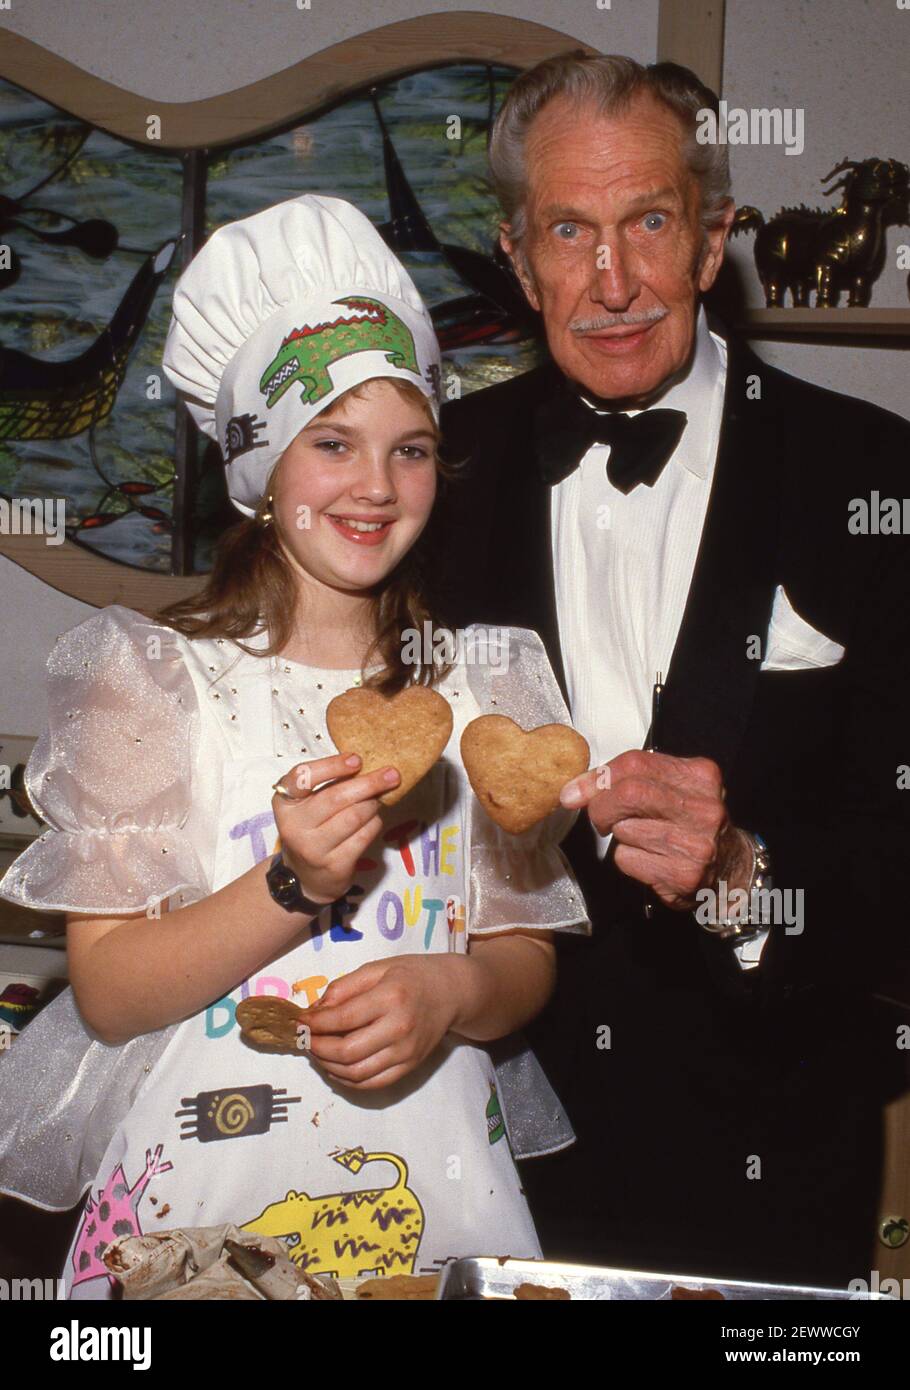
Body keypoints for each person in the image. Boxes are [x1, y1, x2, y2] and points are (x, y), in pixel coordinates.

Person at [0, 193, 590, 1298]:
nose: (375, 485)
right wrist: (290, 881)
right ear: (261, 471)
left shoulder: (483, 686)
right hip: (201, 1223)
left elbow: (526, 960)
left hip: (433, 1194)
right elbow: (111, 992)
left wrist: (451, 992)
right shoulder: (151, 681)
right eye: (332, 443)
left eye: (409, 448)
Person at [426, 53, 910, 1287]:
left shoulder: (874, 475)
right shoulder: (430, 481)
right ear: (516, 255)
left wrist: (748, 878)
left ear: (710, 242)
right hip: (472, 1156)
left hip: (767, 1171)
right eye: (567, 231)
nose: (611, 280)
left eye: (648, 220)